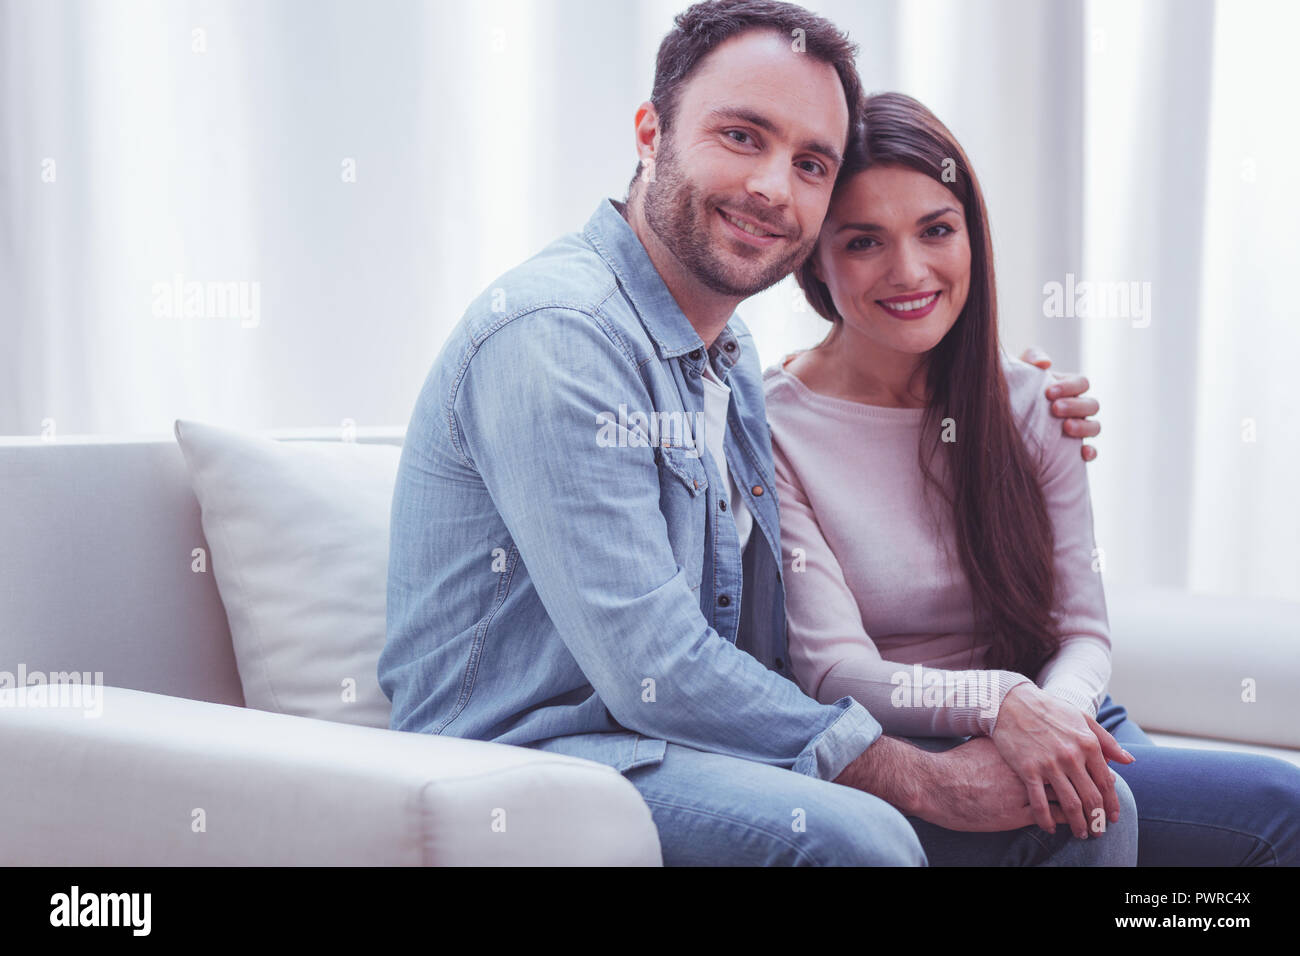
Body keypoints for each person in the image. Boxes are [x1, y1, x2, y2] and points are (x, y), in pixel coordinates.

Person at [379, 0, 1128, 866]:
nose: (775, 187)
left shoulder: (725, 355)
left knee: (1074, 810)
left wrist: (1010, 400)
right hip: (536, 755)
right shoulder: (557, 336)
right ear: (650, 132)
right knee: (861, 838)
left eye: (811, 163)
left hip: (678, 742)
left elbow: (766, 631)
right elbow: (653, 664)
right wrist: (919, 775)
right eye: (742, 136)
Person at [768, 90, 1300, 866]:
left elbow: (1083, 630)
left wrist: (1050, 716)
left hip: (1063, 708)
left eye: (936, 230)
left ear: (972, 240)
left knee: (1279, 811)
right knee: (1094, 815)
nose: (909, 269)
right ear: (815, 259)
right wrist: (1001, 705)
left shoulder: (1034, 403)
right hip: (908, 737)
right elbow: (833, 669)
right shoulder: (777, 426)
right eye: (863, 242)